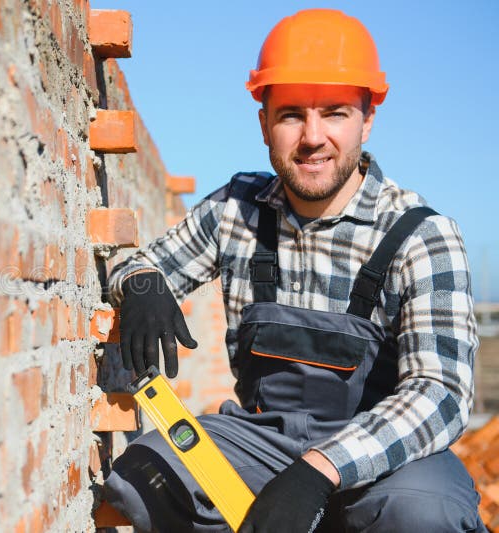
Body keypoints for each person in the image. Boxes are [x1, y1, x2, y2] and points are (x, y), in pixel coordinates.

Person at [102, 8, 485, 533]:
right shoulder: (237, 210)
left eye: (334, 113)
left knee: (423, 512)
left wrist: (320, 470)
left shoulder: (421, 235)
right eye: (290, 115)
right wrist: (140, 284)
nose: (312, 137)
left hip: (388, 460)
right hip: (263, 444)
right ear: (263, 121)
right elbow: (139, 265)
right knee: (145, 475)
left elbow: (440, 393)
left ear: (367, 118)